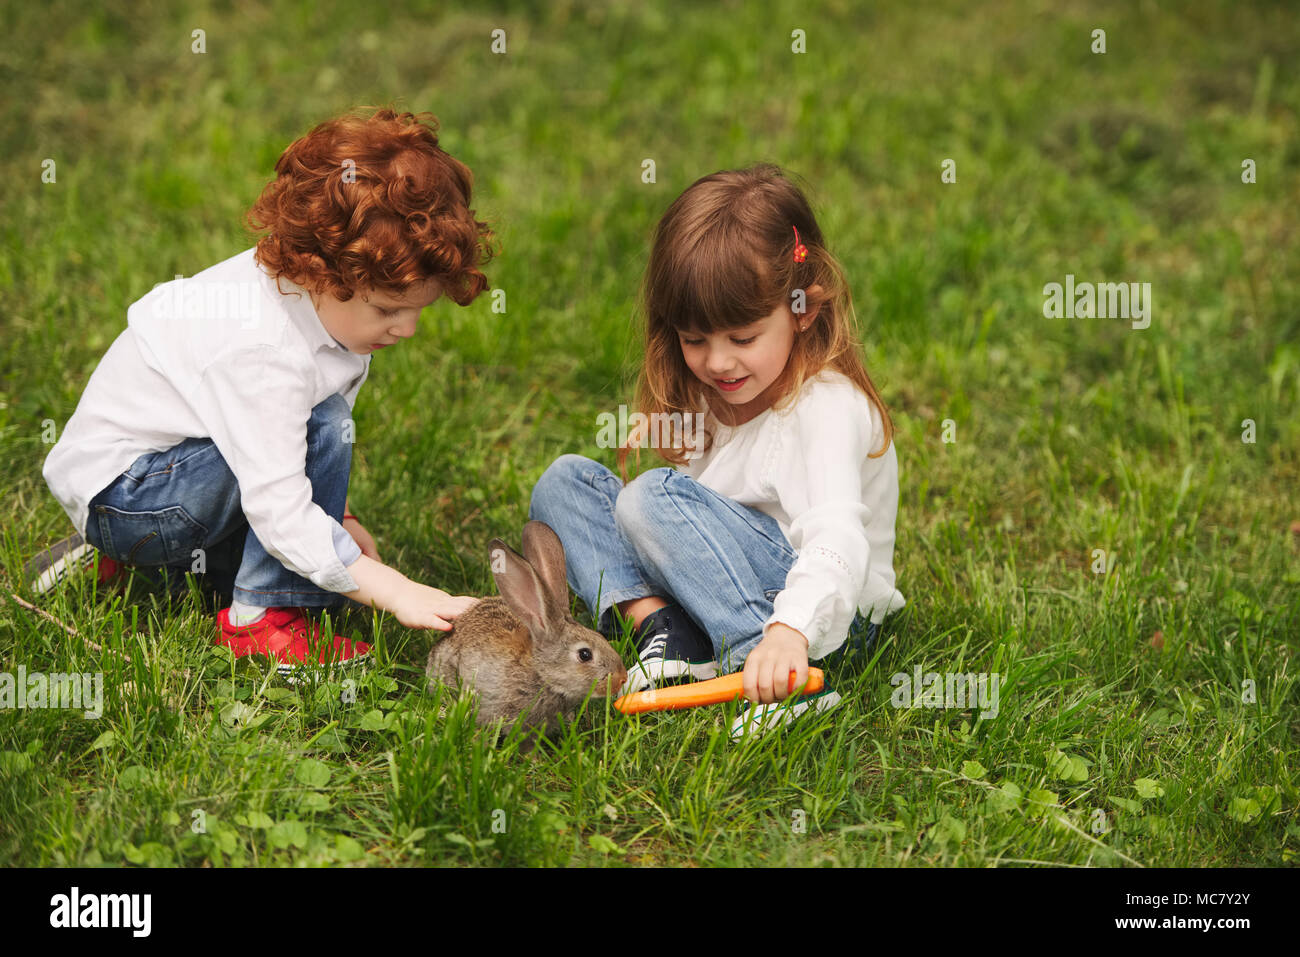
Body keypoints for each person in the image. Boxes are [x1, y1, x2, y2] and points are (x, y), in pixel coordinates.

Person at [34, 107, 489, 672]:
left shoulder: (336, 318)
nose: (408, 329)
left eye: (421, 309)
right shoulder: (264, 351)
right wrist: (399, 592)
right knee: (316, 434)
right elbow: (280, 505)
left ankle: (128, 561)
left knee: (313, 476)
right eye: (389, 309)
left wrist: (337, 516)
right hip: (128, 495)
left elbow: (290, 459)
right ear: (323, 274)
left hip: (167, 471)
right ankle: (261, 619)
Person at [529, 164, 905, 737]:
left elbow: (837, 538)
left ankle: (762, 663)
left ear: (803, 309)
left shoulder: (826, 407)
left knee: (651, 497)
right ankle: (666, 629)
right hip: (729, 572)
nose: (718, 362)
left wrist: (789, 632)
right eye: (694, 339)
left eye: (743, 338)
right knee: (566, 483)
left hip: (823, 614)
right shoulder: (720, 388)